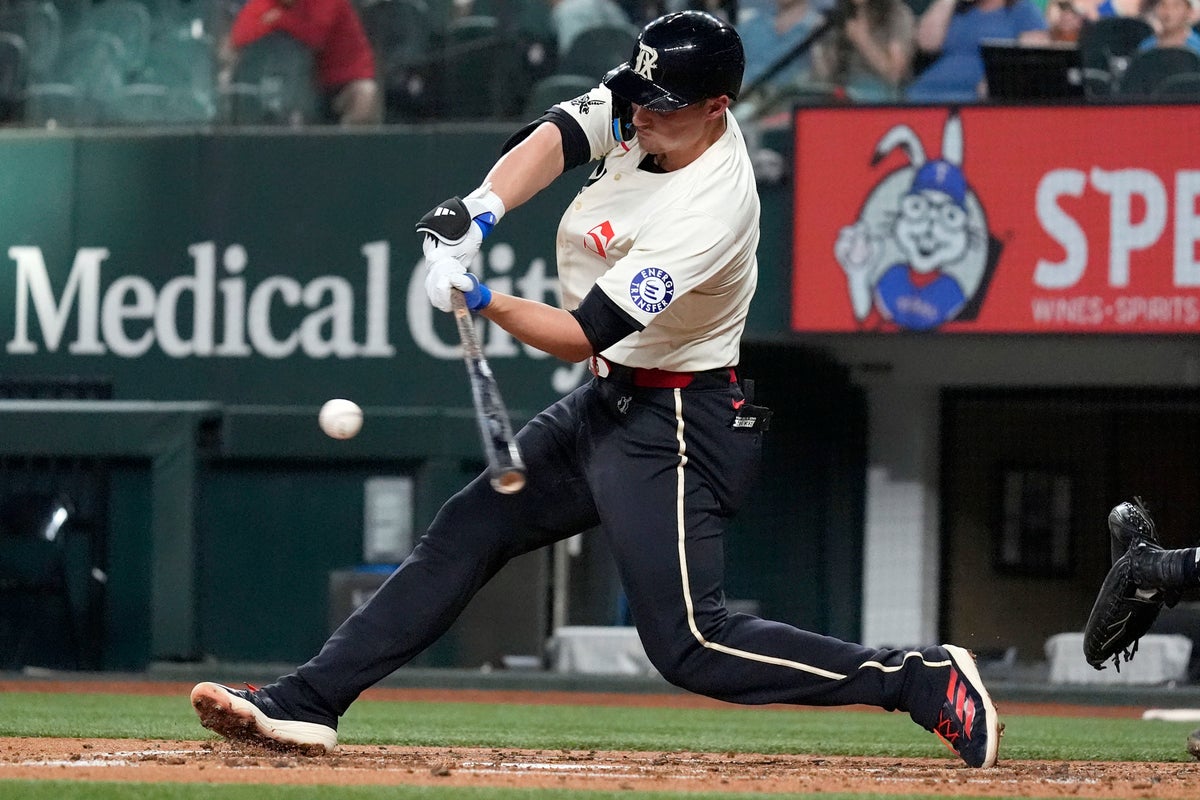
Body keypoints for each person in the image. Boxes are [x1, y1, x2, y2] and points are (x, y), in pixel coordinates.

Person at [189, 10, 1001, 770]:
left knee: (692, 644)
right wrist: (480, 212)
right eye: (638, 95)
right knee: (466, 532)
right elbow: (559, 134)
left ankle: (914, 678)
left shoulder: (710, 207)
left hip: (678, 419)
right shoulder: (647, 104)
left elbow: (585, 333)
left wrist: (483, 298)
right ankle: (308, 701)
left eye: (662, 106)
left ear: (717, 108)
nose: (639, 113)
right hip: (609, 403)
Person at [225, 0, 384, 125]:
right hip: (302, 83)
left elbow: (315, 36)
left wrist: (279, 19)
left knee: (366, 93)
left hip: (341, 83)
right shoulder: (265, 2)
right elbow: (239, 37)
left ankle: (349, 152)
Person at [905, 0, 1049, 103]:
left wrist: (995, 83)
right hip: (929, 90)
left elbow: (1030, 61)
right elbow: (927, 43)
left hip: (977, 97)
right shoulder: (958, 10)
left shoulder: (1024, 11)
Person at [811, 0, 915, 101]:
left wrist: (863, 40)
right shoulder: (837, 15)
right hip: (840, 94)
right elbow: (825, 74)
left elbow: (895, 74)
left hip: (879, 97)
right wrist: (819, 43)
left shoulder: (896, 13)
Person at [736, 0, 829, 96]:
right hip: (745, 98)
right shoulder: (751, 25)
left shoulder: (821, 28)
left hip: (793, 99)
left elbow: (826, 80)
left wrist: (818, 44)